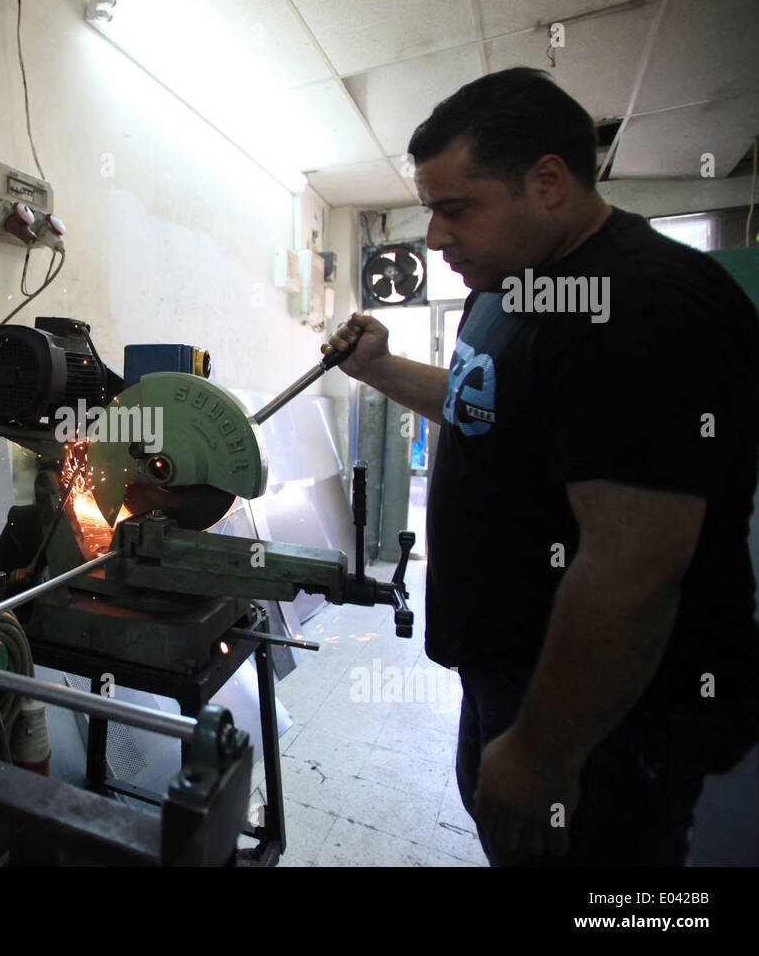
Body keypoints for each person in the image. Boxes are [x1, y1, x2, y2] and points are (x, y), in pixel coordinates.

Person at [324, 67, 759, 865]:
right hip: (511, 672)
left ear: (548, 182)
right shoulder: (510, 281)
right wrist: (382, 370)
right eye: (431, 210)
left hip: (606, 716)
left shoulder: (645, 305)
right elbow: (481, 403)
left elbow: (634, 569)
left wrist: (542, 750)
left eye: (457, 209)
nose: (433, 239)